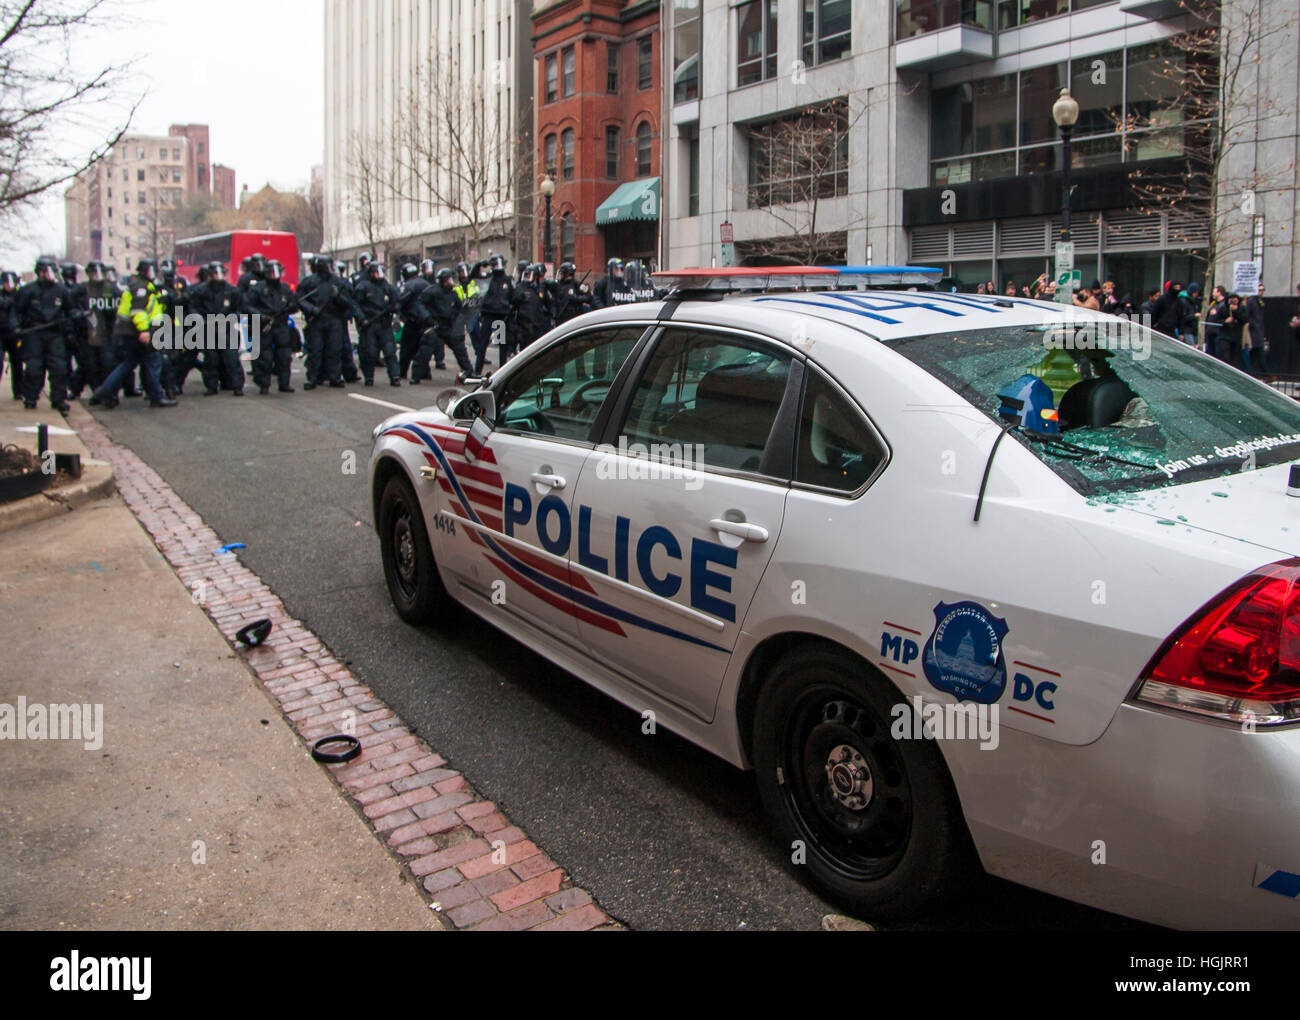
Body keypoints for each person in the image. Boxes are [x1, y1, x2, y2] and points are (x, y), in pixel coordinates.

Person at [89, 257, 175, 409]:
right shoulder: (141, 288)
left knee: (129, 364)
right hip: (137, 332)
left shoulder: (140, 285)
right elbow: (138, 311)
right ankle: (156, 397)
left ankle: (104, 391)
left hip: (129, 333)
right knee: (152, 362)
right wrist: (144, 330)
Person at [15, 255, 73, 412]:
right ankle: (30, 397)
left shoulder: (61, 290)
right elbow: (17, 311)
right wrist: (16, 327)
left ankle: (58, 399)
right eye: (45, 272)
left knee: (59, 368)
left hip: (55, 333)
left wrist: (69, 326)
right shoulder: (28, 290)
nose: (48, 275)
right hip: (34, 333)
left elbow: (70, 310)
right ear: (39, 273)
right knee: (34, 368)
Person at [296, 257, 355, 388]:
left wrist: (338, 297)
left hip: (334, 319)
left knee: (334, 350)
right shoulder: (309, 282)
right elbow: (299, 299)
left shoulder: (338, 282)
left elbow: (348, 302)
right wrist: (311, 309)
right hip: (316, 320)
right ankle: (313, 378)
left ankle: (334, 377)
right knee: (315, 350)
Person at [247, 259, 298, 393]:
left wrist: (292, 307)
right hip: (265, 326)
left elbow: (293, 304)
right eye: (271, 272)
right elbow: (247, 305)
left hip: (281, 325)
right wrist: (260, 315)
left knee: (285, 356)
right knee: (265, 357)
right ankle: (264, 385)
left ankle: (284, 383)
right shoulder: (258, 288)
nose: (274, 275)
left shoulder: (285, 288)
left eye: (277, 272)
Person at [197, 262, 245, 396]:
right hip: (209, 327)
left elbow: (240, 308)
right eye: (214, 274)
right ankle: (211, 386)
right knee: (211, 359)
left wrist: (234, 317)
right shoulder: (202, 290)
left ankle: (237, 386)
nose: (218, 276)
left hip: (227, 328)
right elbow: (194, 307)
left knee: (232, 358)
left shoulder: (232, 290)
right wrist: (200, 319)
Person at [417, 267, 473, 378]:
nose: (450, 282)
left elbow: (460, 307)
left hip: (449, 326)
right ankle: (417, 375)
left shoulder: (453, 293)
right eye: (448, 279)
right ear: (443, 280)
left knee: (460, 349)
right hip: (435, 324)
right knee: (425, 351)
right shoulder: (432, 291)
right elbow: (420, 303)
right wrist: (427, 317)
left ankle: (469, 372)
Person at [352, 260, 400, 386]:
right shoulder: (363, 286)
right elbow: (355, 305)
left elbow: (397, 302)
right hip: (370, 324)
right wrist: (362, 319)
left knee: (390, 351)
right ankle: (369, 377)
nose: (379, 275)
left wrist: (394, 308)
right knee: (370, 352)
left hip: (384, 324)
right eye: (376, 272)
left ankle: (395, 376)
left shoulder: (387, 287)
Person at [477, 253, 513, 373]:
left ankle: (502, 372)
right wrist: (480, 265)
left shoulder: (507, 280)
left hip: (500, 316)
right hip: (488, 315)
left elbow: (512, 297)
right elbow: (473, 277)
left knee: (502, 345)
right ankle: (477, 371)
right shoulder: (487, 279)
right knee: (482, 345)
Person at [395, 263, 430, 380]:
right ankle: (424, 373)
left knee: (406, 349)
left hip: (412, 322)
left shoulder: (408, 285)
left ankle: (402, 372)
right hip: (426, 322)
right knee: (423, 349)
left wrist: (397, 313)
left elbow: (400, 301)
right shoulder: (426, 284)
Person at [509, 262, 548, 358]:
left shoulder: (540, 289)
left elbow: (548, 304)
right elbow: (513, 303)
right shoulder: (520, 288)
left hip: (538, 327)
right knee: (525, 355)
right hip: (524, 328)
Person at [334, 260, 362, 382]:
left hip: (339, 318)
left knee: (342, 346)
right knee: (341, 346)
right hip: (337, 318)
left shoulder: (343, 283)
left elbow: (351, 300)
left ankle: (345, 372)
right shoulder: (343, 283)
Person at [0, 271, 21, 400]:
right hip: (1, 332)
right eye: (6, 282)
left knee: (17, 363)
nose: (9, 285)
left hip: (15, 334)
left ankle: (18, 391)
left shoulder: (20, 295)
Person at [1243, 283, 1269, 375]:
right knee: (1257, 352)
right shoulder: (1251, 301)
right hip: (1253, 332)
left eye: (1263, 290)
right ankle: (1265, 372)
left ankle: (1261, 372)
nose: (1261, 292)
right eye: (1259, 290)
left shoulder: (1260, 302)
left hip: (1258, 331)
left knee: (1256, 354)